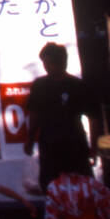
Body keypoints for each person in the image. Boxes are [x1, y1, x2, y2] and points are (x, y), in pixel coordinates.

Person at [25, 42, 96, 192]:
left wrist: (93, 147)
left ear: (62, 62)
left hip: (75, 145)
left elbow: (94, 118)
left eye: (48, 63)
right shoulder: (39, 85)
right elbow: (34, 115)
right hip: (50, 145)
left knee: (81, 188)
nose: (46, 66)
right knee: (52, 188)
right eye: (45, 63)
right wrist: (30, 139)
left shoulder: (79, 85)